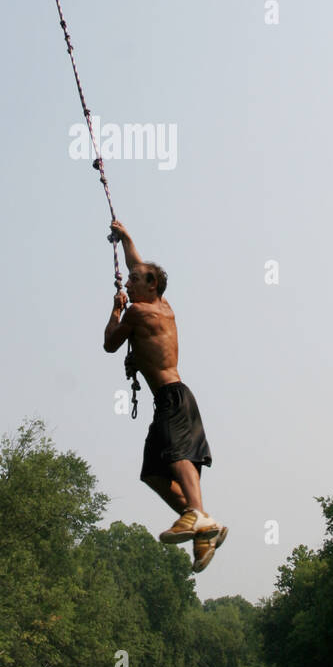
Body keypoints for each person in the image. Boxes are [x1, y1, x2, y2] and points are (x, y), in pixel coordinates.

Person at [103, 221, 227, 573]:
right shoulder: (164, 305)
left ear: (151, 286)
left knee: (177, 456)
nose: (127, 282)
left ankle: (200, 516)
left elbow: (110, 343)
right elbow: (137, 266)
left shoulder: (137, 312)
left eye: (134, 281)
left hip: (173, 396)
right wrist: (126, 238)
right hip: (170, 400)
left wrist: (116, 307)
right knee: (153, 472)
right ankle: (201, 525)